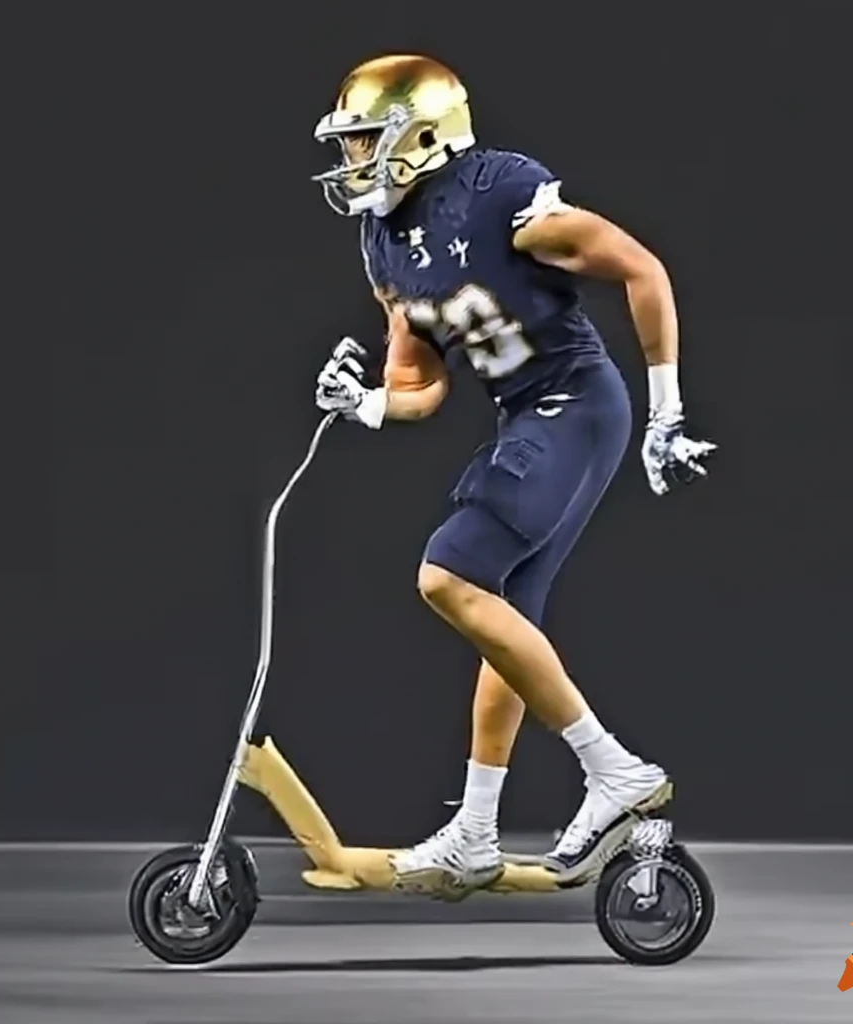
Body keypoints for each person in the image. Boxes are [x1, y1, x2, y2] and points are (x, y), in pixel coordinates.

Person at [311, 54, 716, 899]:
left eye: (363, 142)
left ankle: (614, 772)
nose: (352, 161)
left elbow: (641, 266)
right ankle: (477, 832)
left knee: (447, 575)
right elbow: (420, 383)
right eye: (347, 144)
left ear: (421, 136)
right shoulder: (382, 238)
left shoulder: (499, 195)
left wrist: (666, 412)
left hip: (574, 403)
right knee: (505, 618)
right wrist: (365, 404)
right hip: (531, 416)